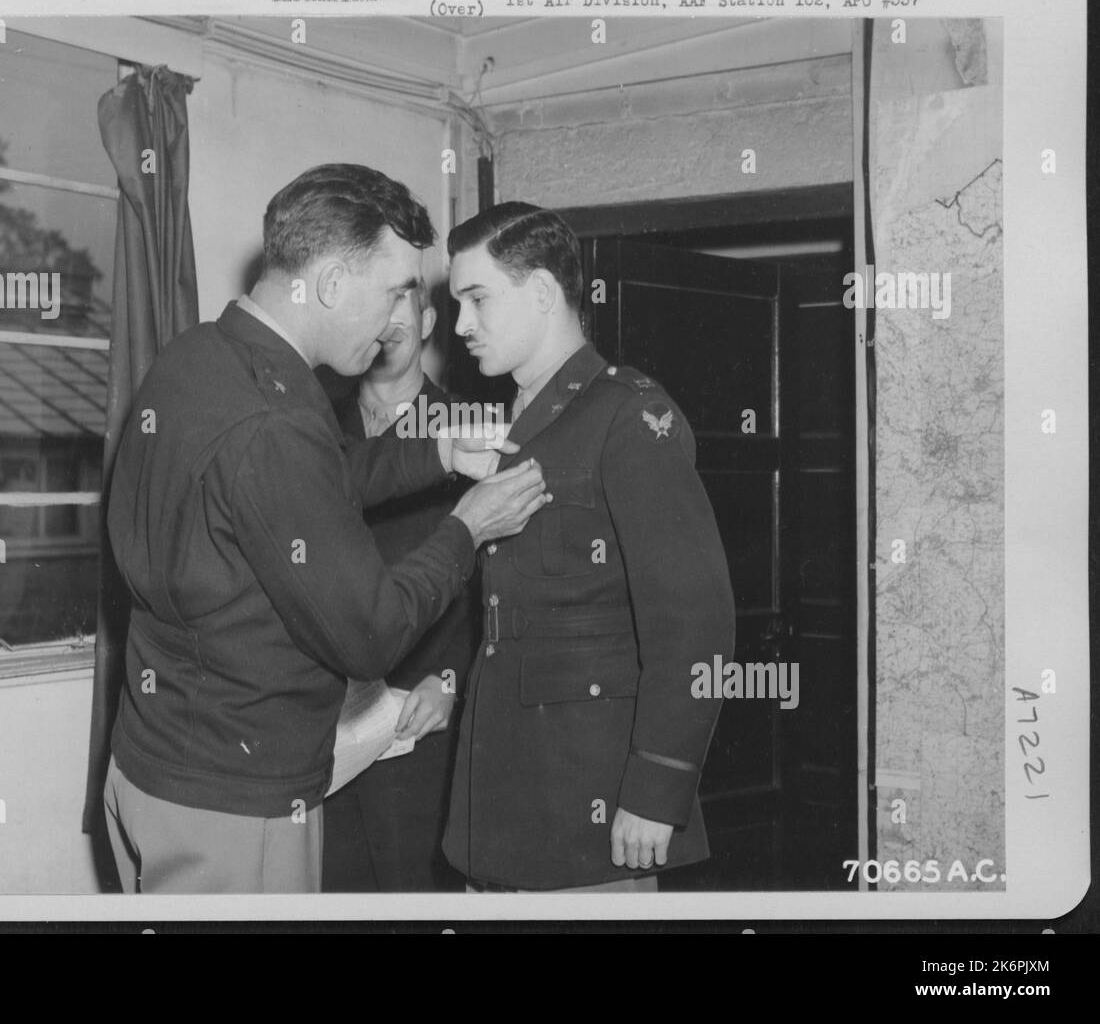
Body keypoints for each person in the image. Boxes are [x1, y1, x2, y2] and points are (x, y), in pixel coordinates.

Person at [102, 165, 548, 893]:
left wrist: (436, 451)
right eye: (396, 289)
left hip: (150, 768)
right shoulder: (275, 422)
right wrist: (467, 527)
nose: (399, 317)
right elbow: (370, 633)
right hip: (233, 808)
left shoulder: (203, 355)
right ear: (334, 284)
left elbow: (301, 482)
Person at [442, 202, 736, 892]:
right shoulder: (516, 422)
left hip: (593, 806)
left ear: (543, 292)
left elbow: (696, 619)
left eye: (477, 298)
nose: (460, 324)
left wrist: (657, 788)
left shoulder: (629, 415)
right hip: (508, 797)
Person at [323, 279, 476, 892]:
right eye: (375, 303)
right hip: (326, 718)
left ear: (429, 320)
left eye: (401, 304)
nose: (387, 321)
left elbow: (491, 574)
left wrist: (451, 680)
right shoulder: (312, 424)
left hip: (418, 712)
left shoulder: (466, 429)